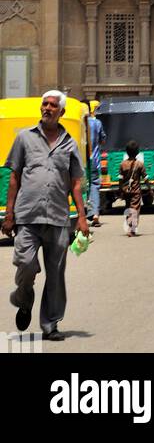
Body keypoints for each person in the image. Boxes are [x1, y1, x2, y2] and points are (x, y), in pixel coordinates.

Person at [3, 90, 89, 341]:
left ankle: (50, 324)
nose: (47, 108)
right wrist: (9, 214)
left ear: (61, 112)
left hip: (58, 217)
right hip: (28, 215)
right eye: (45, 104)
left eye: (53, 105)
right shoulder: (24, 139)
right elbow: (14, 177)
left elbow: (75, 184)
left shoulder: (70, 143)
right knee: (26, 264)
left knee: (55, 273)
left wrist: (82, 217)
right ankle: (23, 297)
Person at [118, 140, 149, 237]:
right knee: (135, 209)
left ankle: (129, 224)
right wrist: (150, 189)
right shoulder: (140, 164)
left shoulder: (122, 164)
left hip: (126, 191)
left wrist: (120, 190)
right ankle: (132, 229)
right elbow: (146, 178)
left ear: (126, 152)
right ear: (138, 152)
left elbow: (120, 180)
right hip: (136, 192)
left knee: (128, 208)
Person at [86, 99, 106, 227]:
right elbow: (103, 140)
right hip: (94, 160)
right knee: (94, 186)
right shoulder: (97, 123)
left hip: (80, 162)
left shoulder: (77, 122)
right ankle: (95, 214)